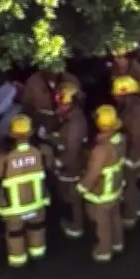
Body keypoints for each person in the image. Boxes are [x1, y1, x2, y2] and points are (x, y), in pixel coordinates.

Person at [0, 114, 51, 267]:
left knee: (15, 233)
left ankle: (18, 260)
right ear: (31, 132)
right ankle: (38, 253)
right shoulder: (42, 150)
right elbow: (49, 165)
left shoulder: (4, 156)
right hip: (36, 203)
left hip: (14, 208)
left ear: (11, 134)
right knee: (37, 228)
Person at [77, 105, 125, 262]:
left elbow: (93, 172)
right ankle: (118, 243)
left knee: (102, 222)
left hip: (102, 192)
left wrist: (82, 187)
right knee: (115, 216)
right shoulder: (120, 140)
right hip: (115, 188)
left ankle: (104, 251)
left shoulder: (100, 150)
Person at [112, 75, 140, 228]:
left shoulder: (136, 113)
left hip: (133, 156)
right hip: (130, 154)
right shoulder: (129, 108)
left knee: (128, 186)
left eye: (117, 95)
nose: (114, 97)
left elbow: (138, 138)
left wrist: (132, 159)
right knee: (131, 185)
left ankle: (130, 216)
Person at [48, 82, 86, 239]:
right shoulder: (72, 117)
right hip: (70, 164)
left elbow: (71, 151)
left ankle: (77, 226)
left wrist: (57, 163)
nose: (59, 106)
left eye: (62, 102)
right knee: (69, 196)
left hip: (72, 167)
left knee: (73, 198)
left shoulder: (73, 125)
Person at [18, 66, 81, 134]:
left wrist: (68, 114)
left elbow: (79, 102)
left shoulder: (71, 80)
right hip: (41, 120)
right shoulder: (34, 80)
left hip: (65, 122)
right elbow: (26, 104)